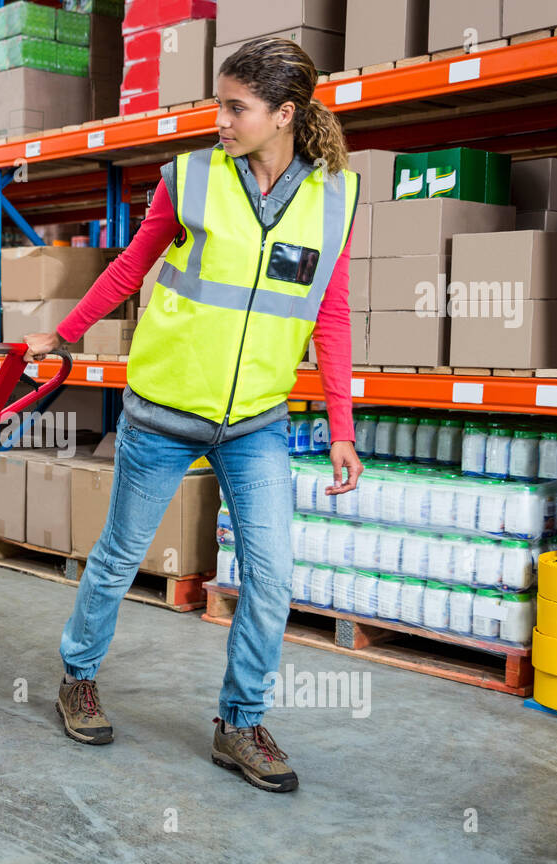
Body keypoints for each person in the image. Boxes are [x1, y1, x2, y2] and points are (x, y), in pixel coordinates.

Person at [24, 38, 364, 794]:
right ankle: (77, 678)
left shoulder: (334, 195)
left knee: (272, 577)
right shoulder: (191, 178)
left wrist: (342, 426)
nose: (219, 120)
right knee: (119, 555)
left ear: (283, 114)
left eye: (234, 107)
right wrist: (66, 332)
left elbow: (330, 313)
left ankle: (239, 723)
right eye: (218, 103)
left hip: (256, 423)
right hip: (165, 409)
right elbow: (130, 265)